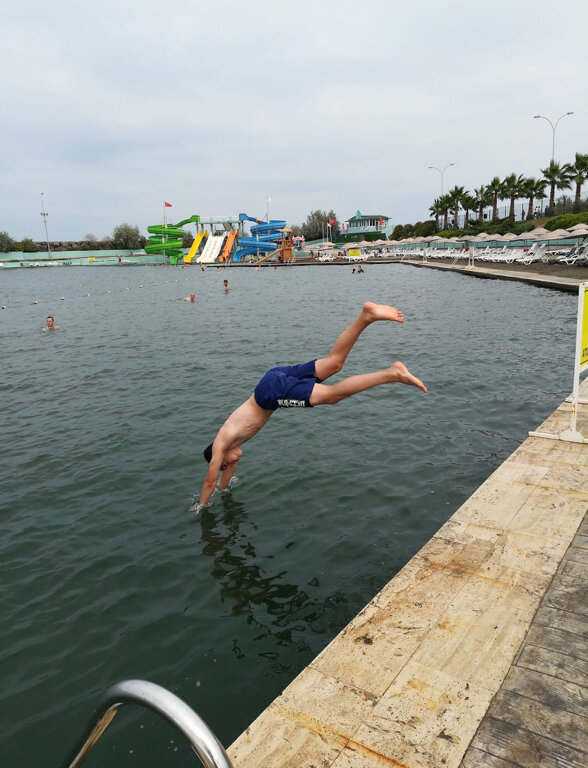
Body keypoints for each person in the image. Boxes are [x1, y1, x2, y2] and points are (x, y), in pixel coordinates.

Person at [197, 302, 427, 508]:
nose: (233, 463)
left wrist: (201, 507)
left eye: (224, 466)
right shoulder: (229, 446)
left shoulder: (220, 444)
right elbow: (222, 479)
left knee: (332, 396)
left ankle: (391, 374)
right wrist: (223, 490)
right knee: (334, 363)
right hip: (271, 380)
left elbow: (210, 480)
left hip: (270, 395)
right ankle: (366, 316)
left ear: (219, 460)